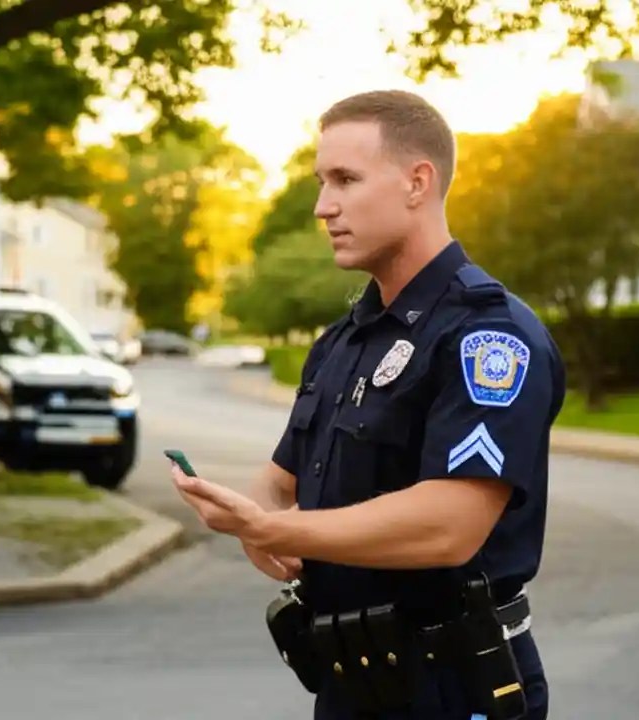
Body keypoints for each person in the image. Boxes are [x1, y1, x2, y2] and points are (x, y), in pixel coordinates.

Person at [170, 89, 564, 720]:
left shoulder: (486, 336)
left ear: (417, 182)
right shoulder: (343, 340)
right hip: (353, 683)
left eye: (345, 180)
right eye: (323, 182)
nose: (324, 206)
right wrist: (259, 522)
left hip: (455, 689)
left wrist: (276, 527)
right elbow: (281, 479)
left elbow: (450, 524)